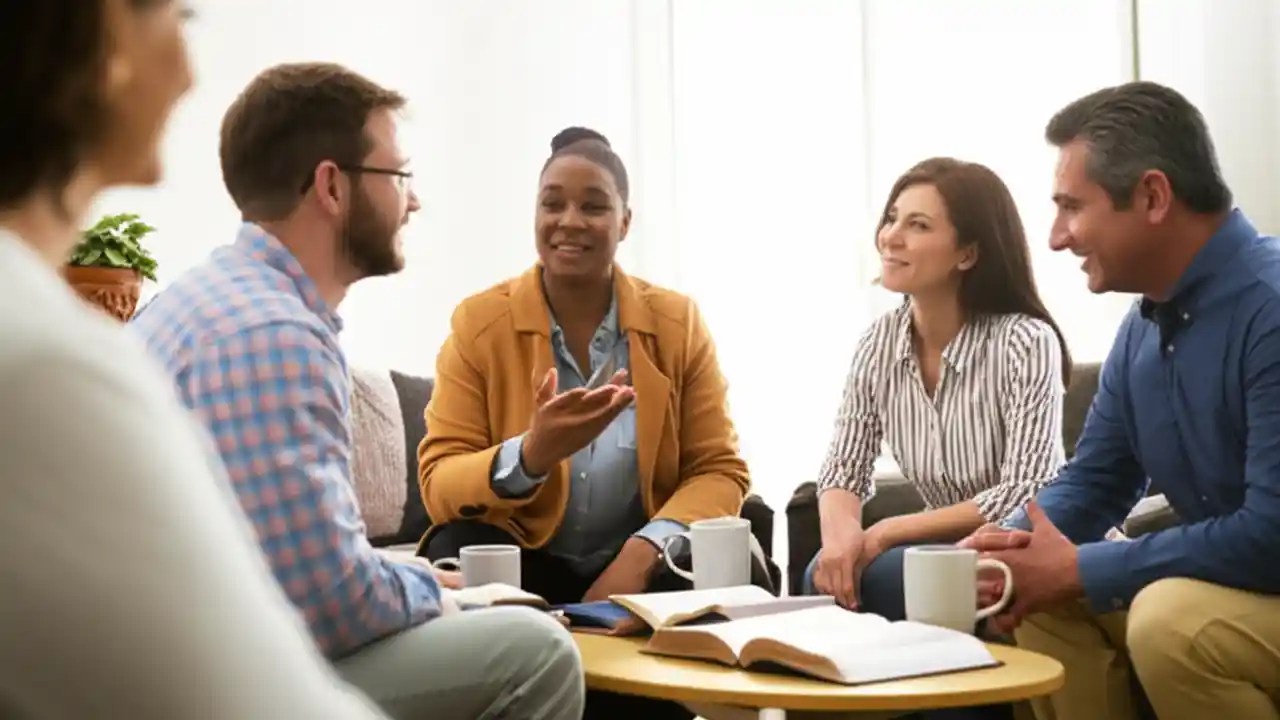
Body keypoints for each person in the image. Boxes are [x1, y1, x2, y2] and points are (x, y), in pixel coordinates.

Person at [129, 62, 583, 720]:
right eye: (399, 177)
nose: (414, 200)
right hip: (209, 689)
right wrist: (440, 594)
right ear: (332, 187)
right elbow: (327, 602)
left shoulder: (202, 302)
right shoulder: (275, 333)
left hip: (187, 660)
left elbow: (295, 567)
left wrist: (419, 581)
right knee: (537, 652)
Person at [0, 2, 393, 718]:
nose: (188, 72)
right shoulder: (45, 369)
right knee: (533, 648)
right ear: (101, 35)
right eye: (176, 16)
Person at [963, 80, 1280, 720]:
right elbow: (1095, 484)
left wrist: (1085, 567)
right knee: (1032, 597)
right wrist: (1000, 555)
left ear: (1153, 196)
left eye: (1072, 207)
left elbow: (1273, 534)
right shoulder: (1140, 330)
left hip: (1256, 580)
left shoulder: (1270, 308)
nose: (1056, 237)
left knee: (1171, 623)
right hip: (1240, 592)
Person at [419, 126, 751, 719]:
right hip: (526, 564)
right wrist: (530, 455)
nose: (569, 220)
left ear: (625, 222)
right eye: (553, 203)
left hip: (635, 566)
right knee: (456, 546)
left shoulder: (676, 322)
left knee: (730, 552)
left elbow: (720, 468)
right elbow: (439, 483)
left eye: (594, 205)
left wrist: (640, 554)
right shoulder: (479, 322)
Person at [802, 158, 1070, 719]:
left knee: (931, 588)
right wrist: (842, 542)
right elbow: (842, 470)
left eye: (918, 225)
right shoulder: (879, 343)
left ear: (967, 254)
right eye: (892, 218)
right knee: (820, 578)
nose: (891, 236)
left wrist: (889, 531)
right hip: (937, 556)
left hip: (1017, 547)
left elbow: (1028, 488)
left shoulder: (1025, 341)